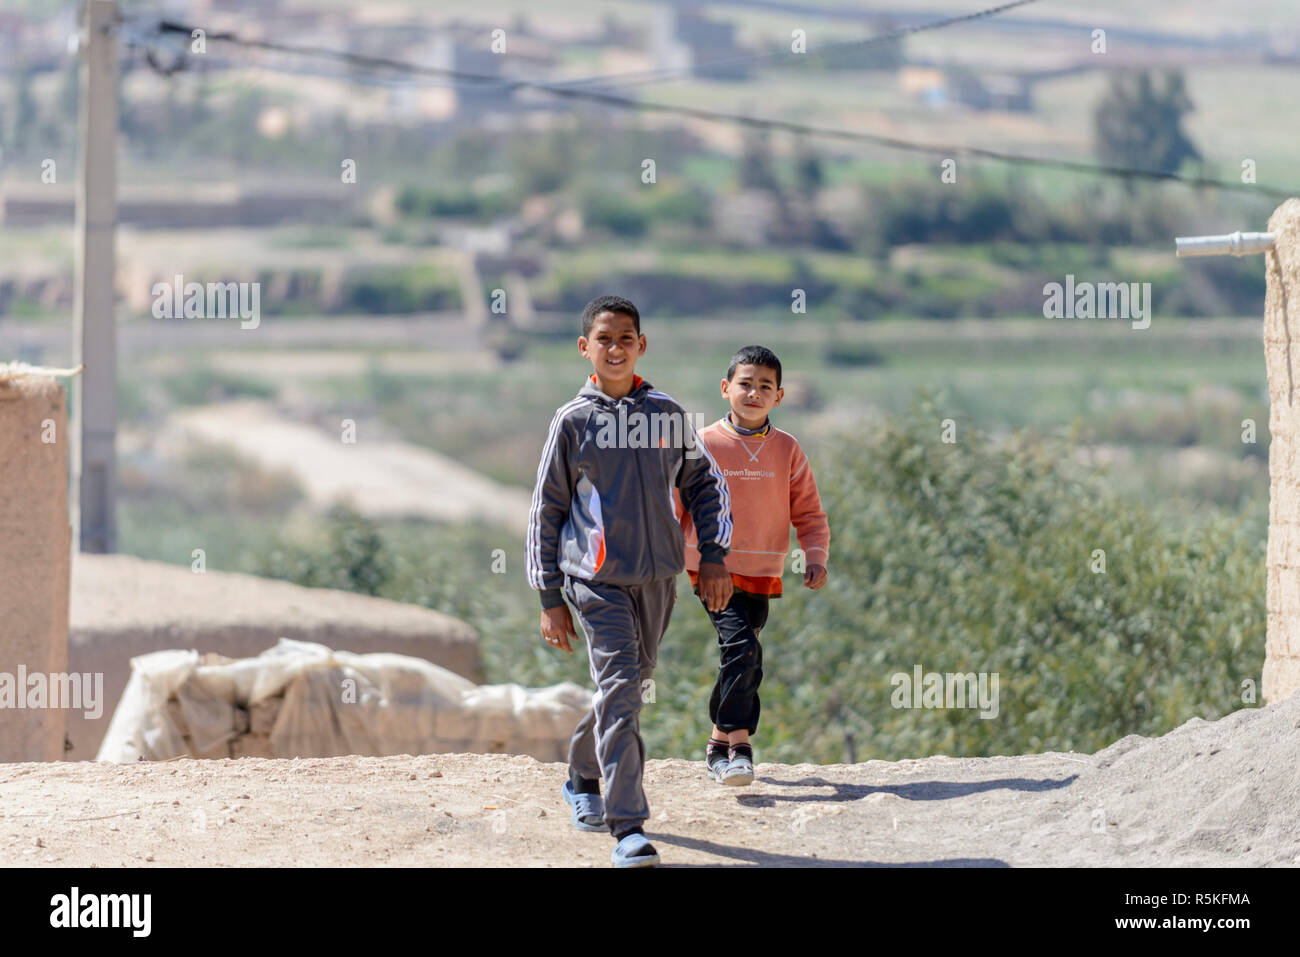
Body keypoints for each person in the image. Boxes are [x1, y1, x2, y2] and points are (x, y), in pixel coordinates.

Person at [526, 294, 734, 867]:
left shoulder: (667, 415)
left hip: (658, 580)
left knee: (630, 686)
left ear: (641, 346)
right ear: (584, 348)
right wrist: (549, 596)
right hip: (595, 582)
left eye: (625, 339)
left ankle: (580, 774)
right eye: (604, 339)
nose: (614, 348)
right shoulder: (571, 422)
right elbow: (546, 510)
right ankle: (629, 828)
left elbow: (707, 487)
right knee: (622, 688)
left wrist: (713, 554)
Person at [676, 344, 830, 786]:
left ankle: (715, 745)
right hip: (712, 569)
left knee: (743, 658)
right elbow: (675, 504)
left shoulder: (787, 450)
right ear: (726, 389)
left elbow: (809, 512)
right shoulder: (704, 444)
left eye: (765, 386)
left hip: (765, 572)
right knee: (742, 649)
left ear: (779, 397)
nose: (753, 392)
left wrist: (815, 554)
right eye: (745, 384)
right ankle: (740, 747)